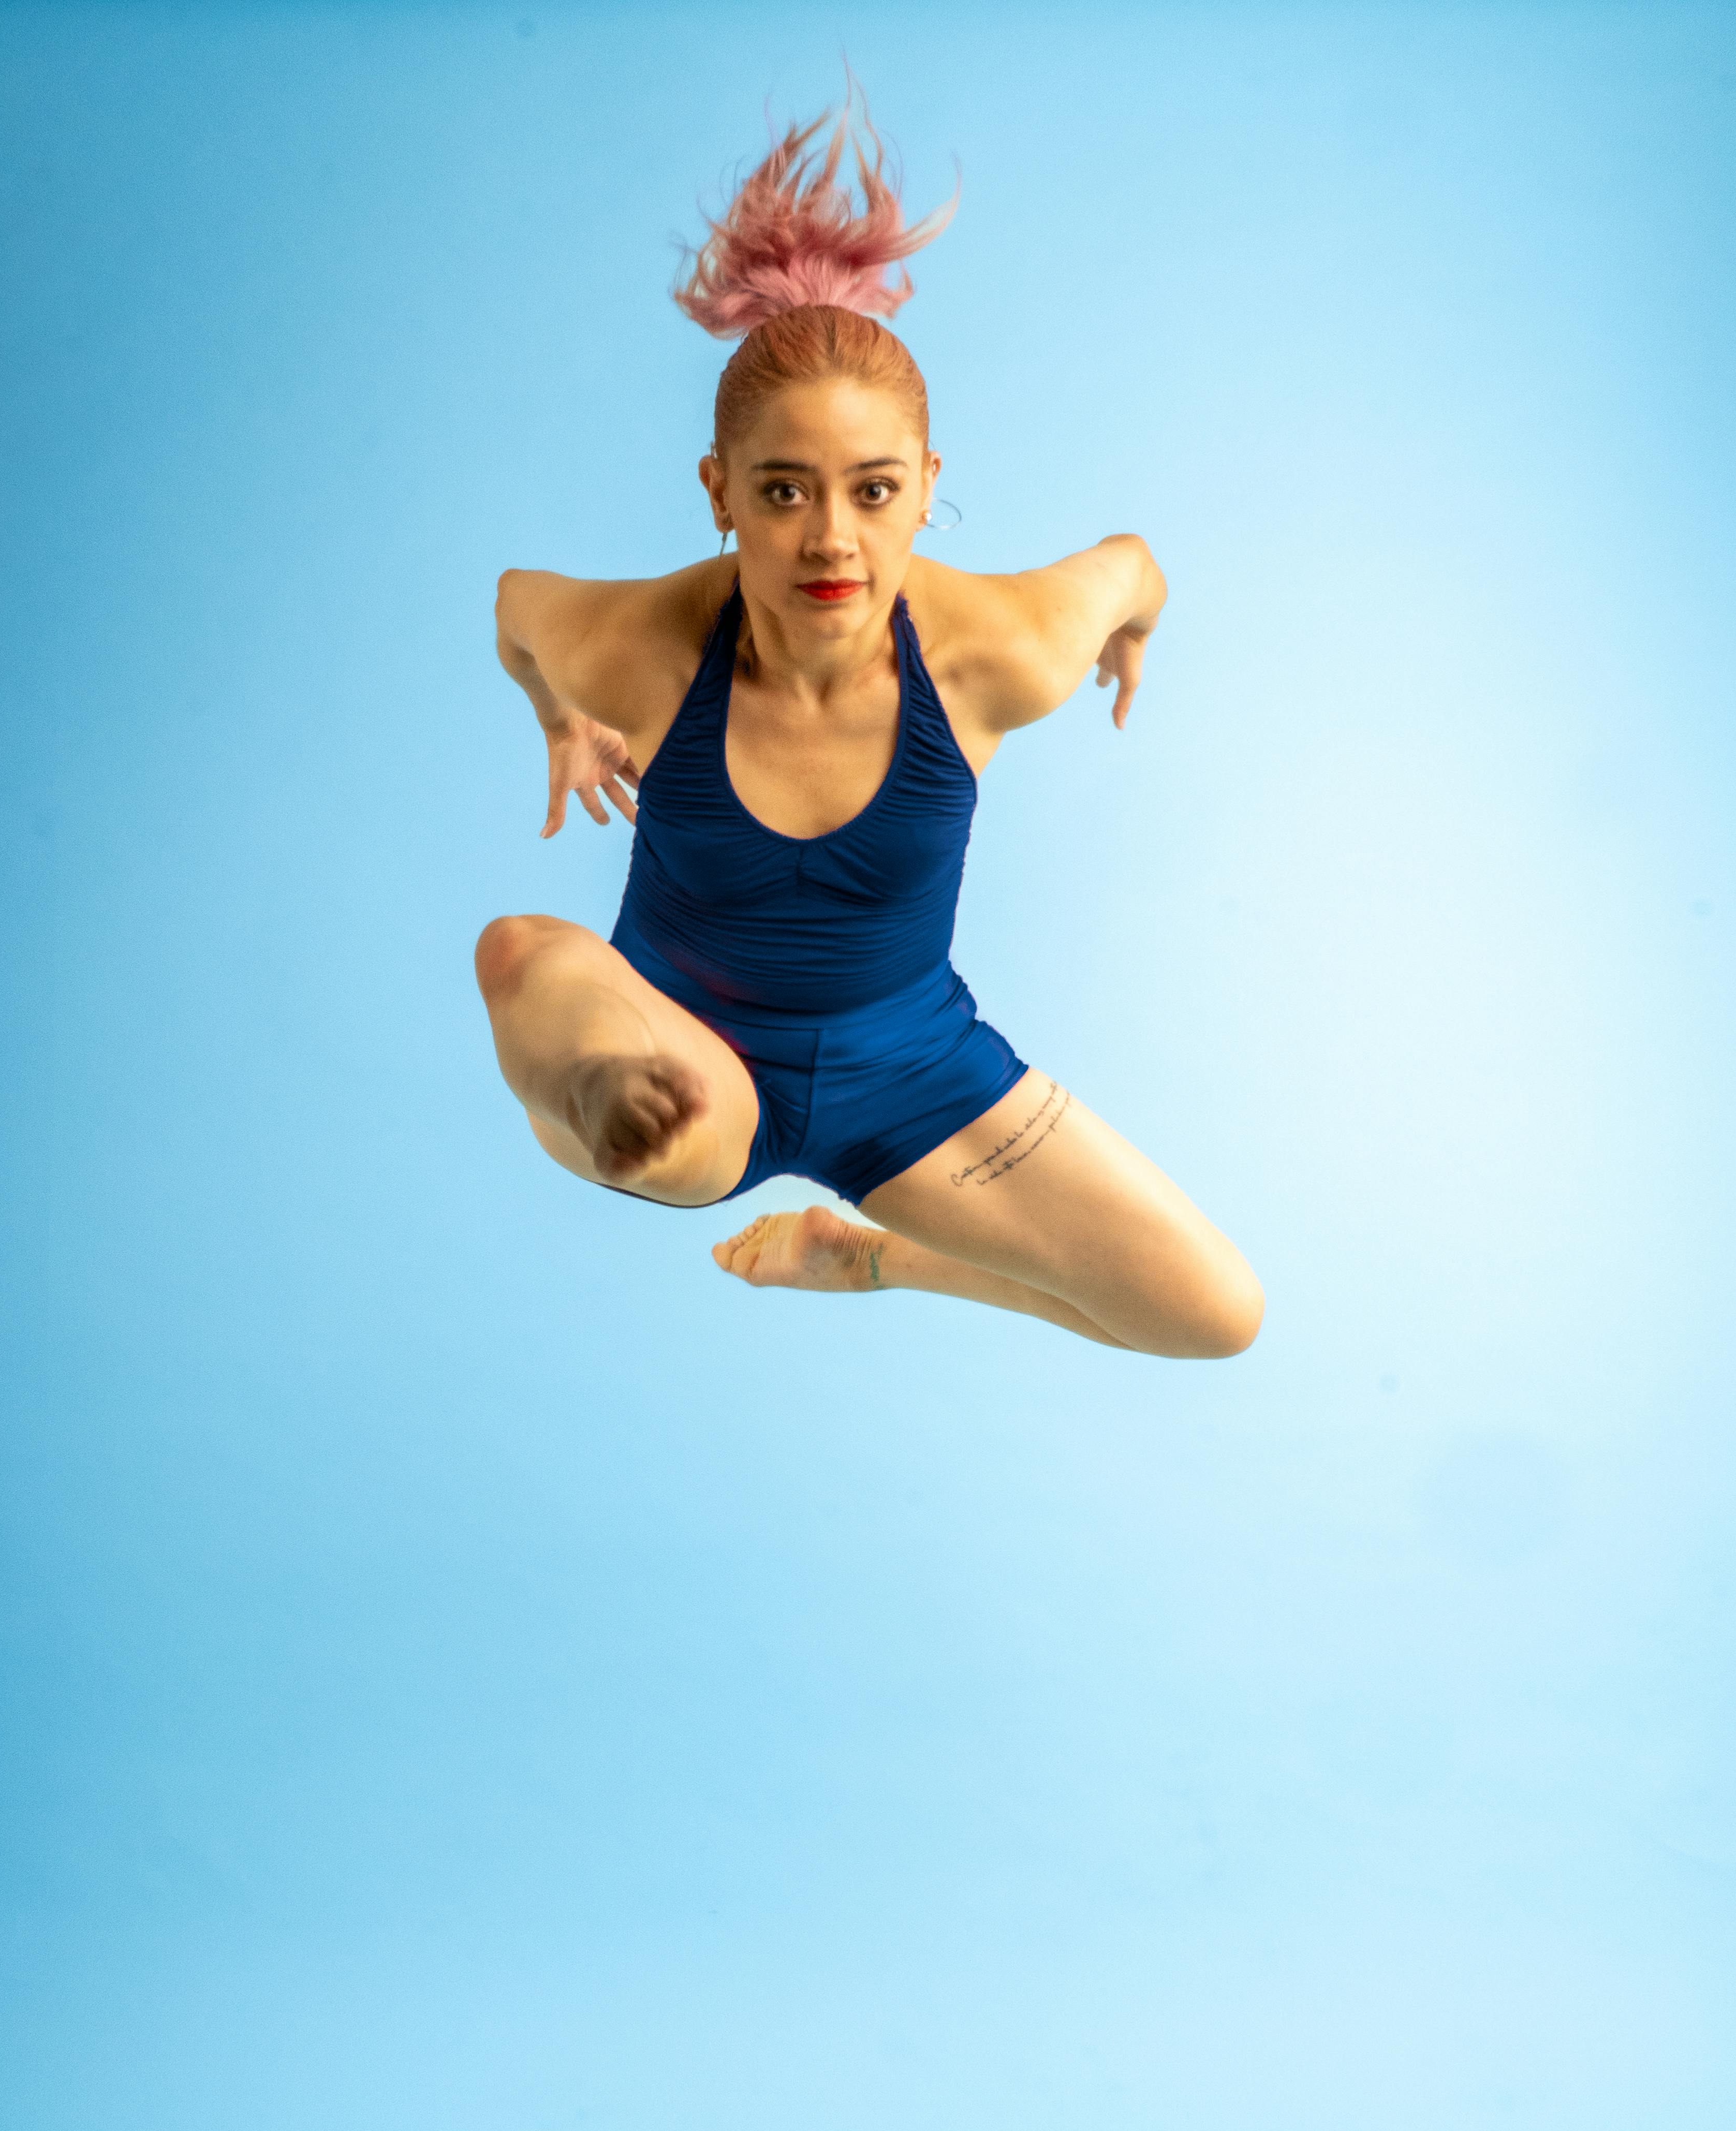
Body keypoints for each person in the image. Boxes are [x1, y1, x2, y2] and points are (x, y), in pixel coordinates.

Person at [477, 101, 1263, 1356]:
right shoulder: (639, 648)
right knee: (539, 966)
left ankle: (863, 1261)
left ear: (927, 490)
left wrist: (1133, 625)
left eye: (873, 491)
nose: (831, 539)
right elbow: (519, 612)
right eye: (783, 491)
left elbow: (1129, 564)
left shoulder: (998, 649)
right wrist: (562, 717)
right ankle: (602, 1083)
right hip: (680, 1041)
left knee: (1212, 1315)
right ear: (720, 492)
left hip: (915, 1079)